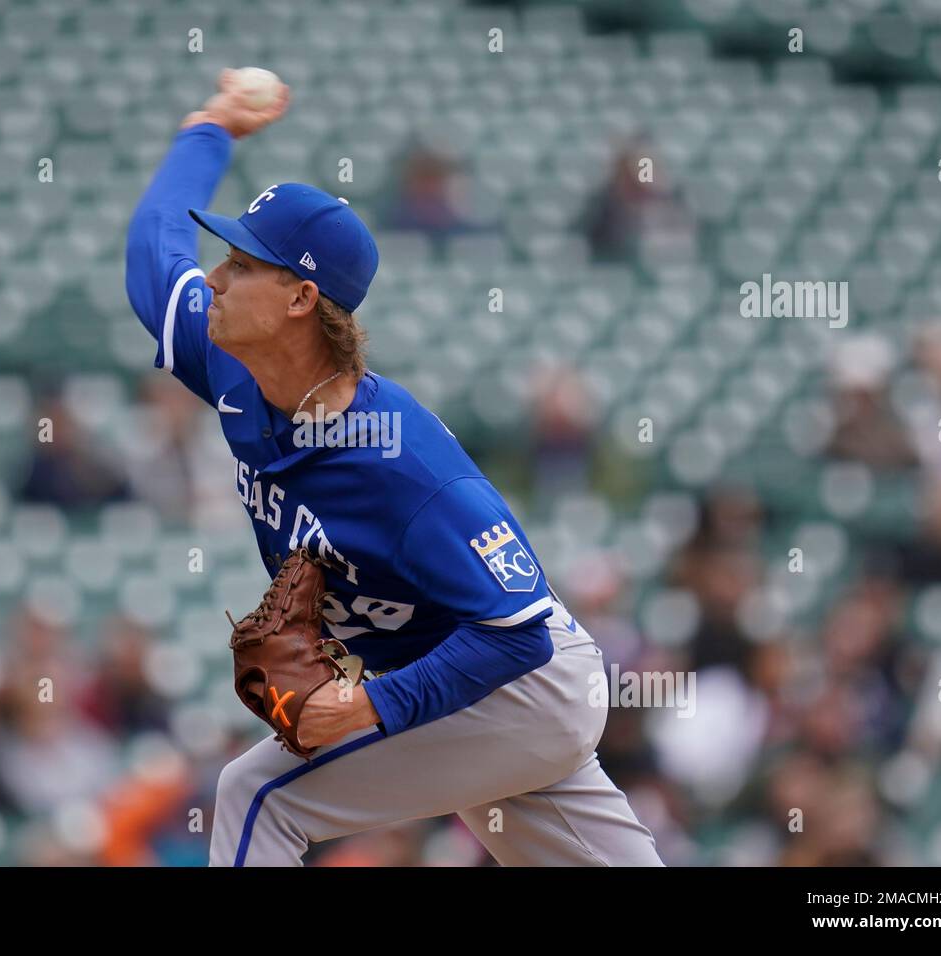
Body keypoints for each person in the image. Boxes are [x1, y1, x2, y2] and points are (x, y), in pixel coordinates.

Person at [124, 69, 662, 867]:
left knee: (254, 796)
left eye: (241, 266)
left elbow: (514, 636)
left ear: (301, 301)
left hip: (520, 685)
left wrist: (375, 704)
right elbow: (151, 259)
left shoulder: (399, 464)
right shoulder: (237, 367)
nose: (215, 279)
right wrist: (210, 129)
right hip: (476, 700)